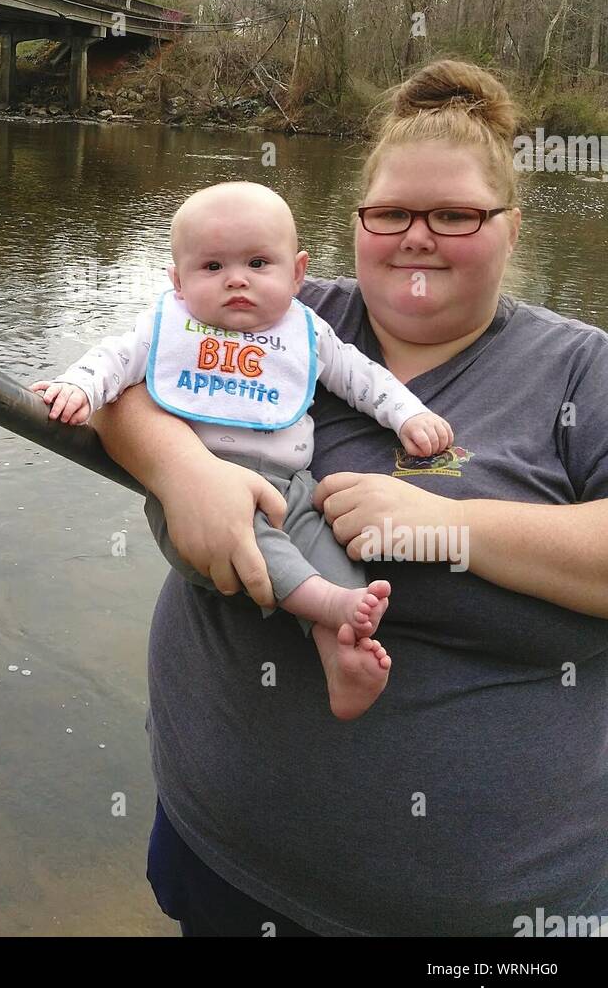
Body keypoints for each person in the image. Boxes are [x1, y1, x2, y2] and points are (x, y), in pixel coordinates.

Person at [89, 60, 608, 938]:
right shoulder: (282, 315)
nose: (417, 238)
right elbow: (123, 379)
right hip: (222, 856)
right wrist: (184, 470)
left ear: (512, 229)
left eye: (455, 215)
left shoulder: (579, 371)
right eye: (390, 214)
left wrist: (455, 527)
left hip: (487, 921)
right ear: (356, 222)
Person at [30, 181, 454, 719]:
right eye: (211, 268)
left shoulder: (306, 330)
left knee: (329, 549)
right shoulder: (169, 325)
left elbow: (358, 374)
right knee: (261, 545)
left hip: (290, 487)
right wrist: (79, 387)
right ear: (177, 281)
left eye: (258, 263)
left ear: (297, 273)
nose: (236, 279)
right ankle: (325, 604)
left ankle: (336, 654)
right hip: (195, 494)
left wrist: (409, 414)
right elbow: (117, 361)